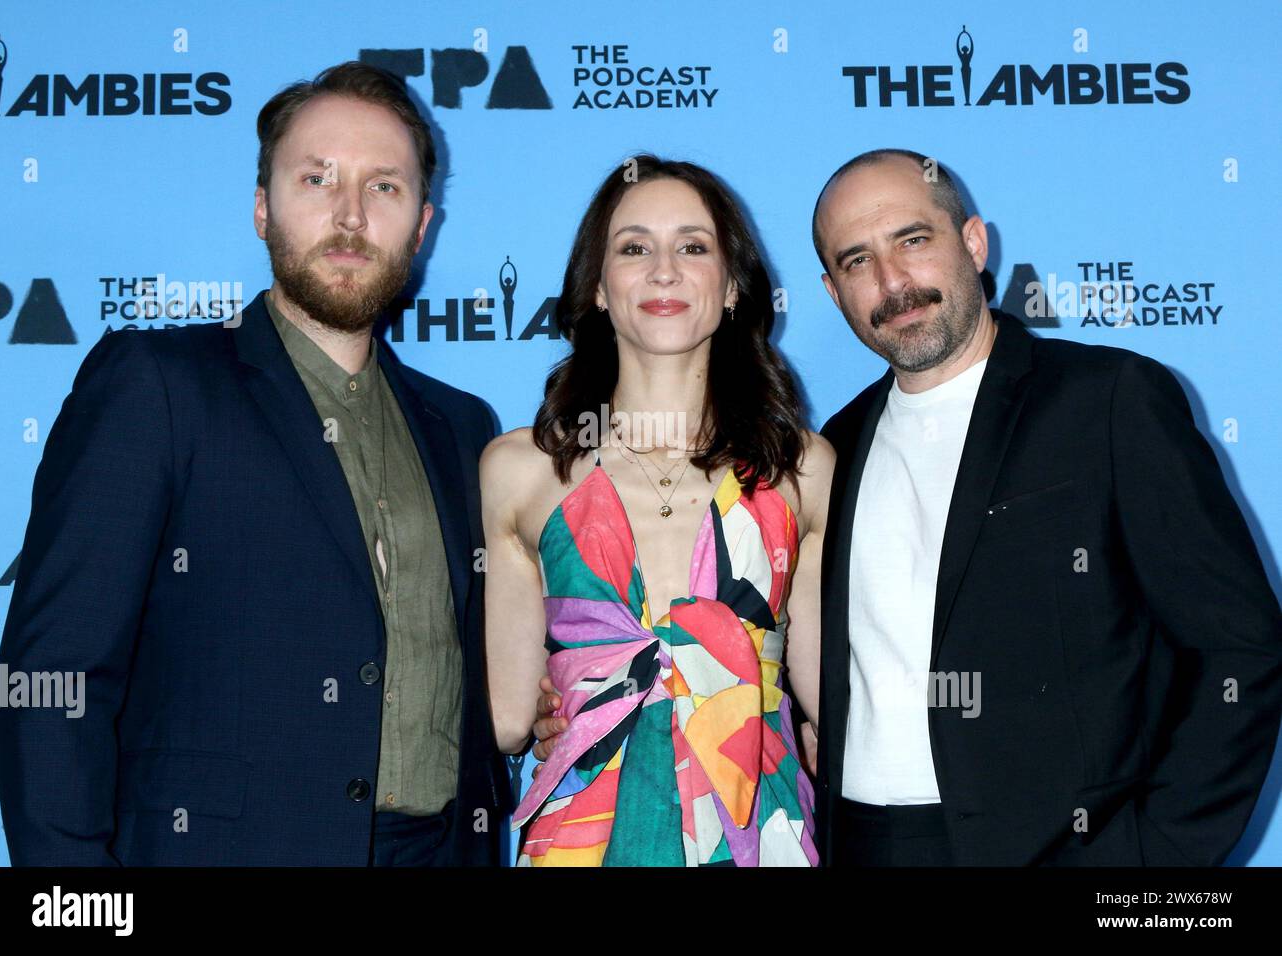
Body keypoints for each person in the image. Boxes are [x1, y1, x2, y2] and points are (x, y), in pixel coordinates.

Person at [0, 61, 507, 866]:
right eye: (316, 179)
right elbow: (56, 677)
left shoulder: (465, 428)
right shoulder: (156, 386)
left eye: (384, 188)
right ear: (263, 208)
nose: (348, 215)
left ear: (422, 224)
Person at [810, 148, 1282, 865]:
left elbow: (1239, 647)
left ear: (973, 241)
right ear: (832, 291)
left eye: (913, 240)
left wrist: (1151, 861)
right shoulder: (831, 450)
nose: (893, 282)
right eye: (857, 261)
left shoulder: (1108, 401)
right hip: (868, 845)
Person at [482, 155, 834, 866]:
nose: (664, 270)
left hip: (759, 834)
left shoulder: (802, 470)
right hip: (581, 834)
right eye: (634, 247)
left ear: (733, 288)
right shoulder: (519, 471)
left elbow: (834, 707)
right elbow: (508, 718)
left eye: (694, 247)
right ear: (601, 289)